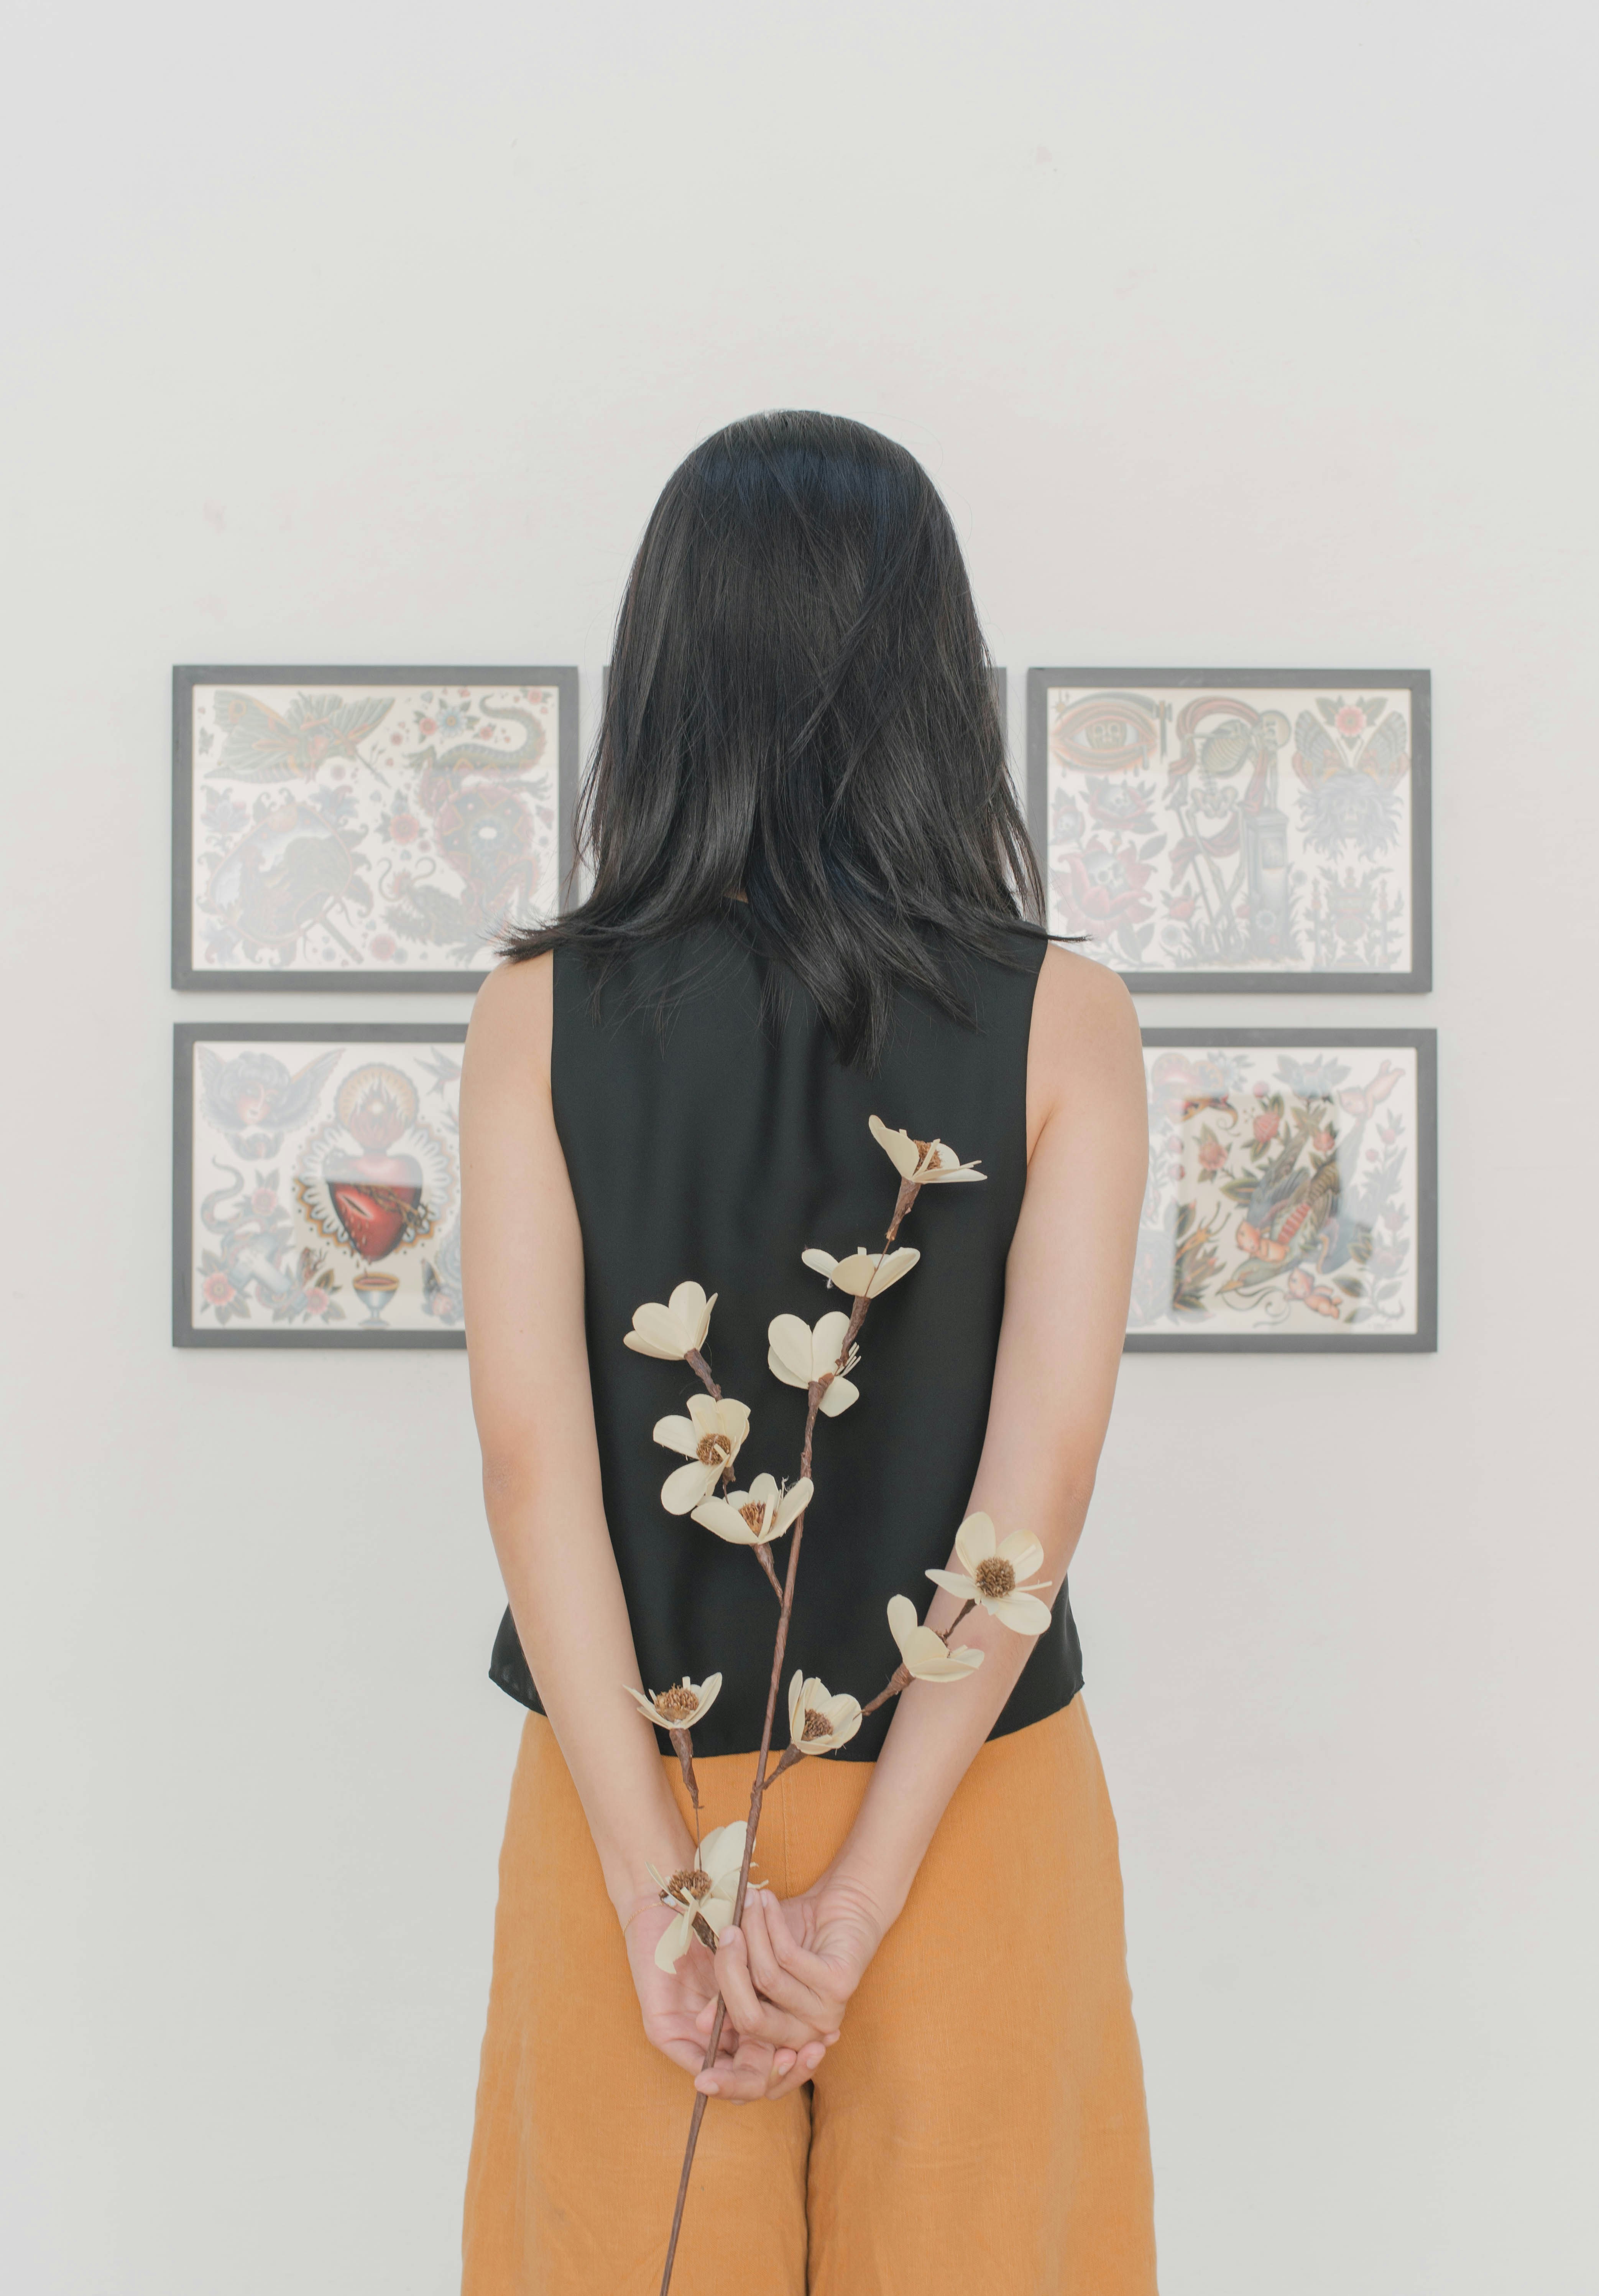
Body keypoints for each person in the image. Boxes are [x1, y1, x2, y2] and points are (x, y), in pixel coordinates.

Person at [458, 410, 1157, 2295]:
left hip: (638, 1775)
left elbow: (533, 1467)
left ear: (664, 668)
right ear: (938, 675)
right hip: (968, 1785)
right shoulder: (1062, 1019)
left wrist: (648, 1878)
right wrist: (852, 1898)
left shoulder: (535, 1016)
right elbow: (1041, 1486)